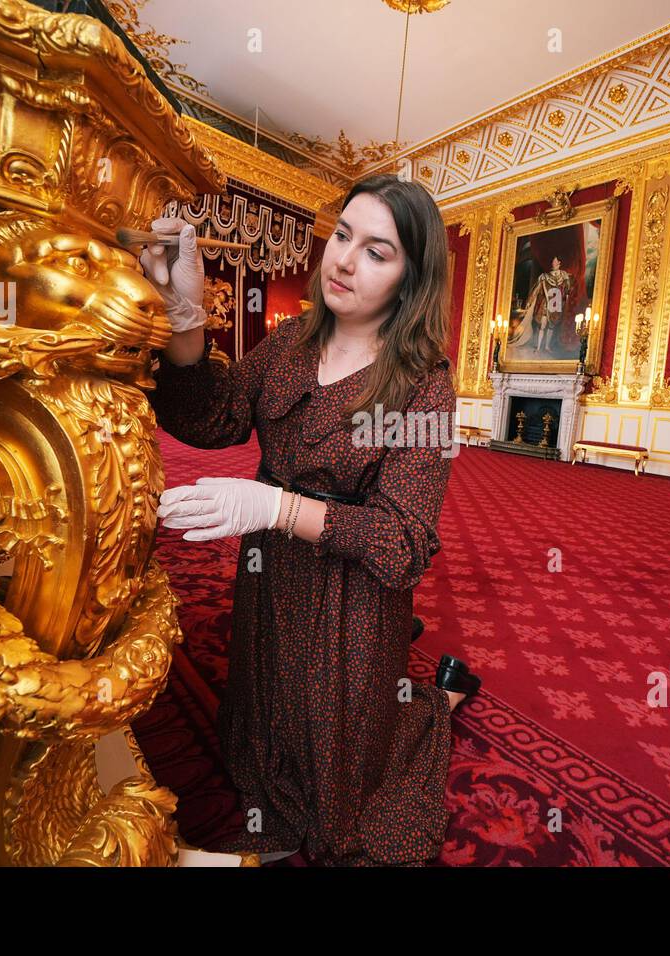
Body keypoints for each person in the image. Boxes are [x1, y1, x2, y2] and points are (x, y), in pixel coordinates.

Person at [141, 173, 482, 867]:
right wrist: (184, 313)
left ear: (411, 279)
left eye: (378, 251)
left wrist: (275, 506)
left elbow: (403, 543)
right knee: (261, 741)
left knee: (347, 807)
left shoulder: (425, 384)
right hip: (270, 579)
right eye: (343, 235)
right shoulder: (292, 341)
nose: (344, 260)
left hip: (350, 607)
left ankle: (438, 704)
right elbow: (209, 416)